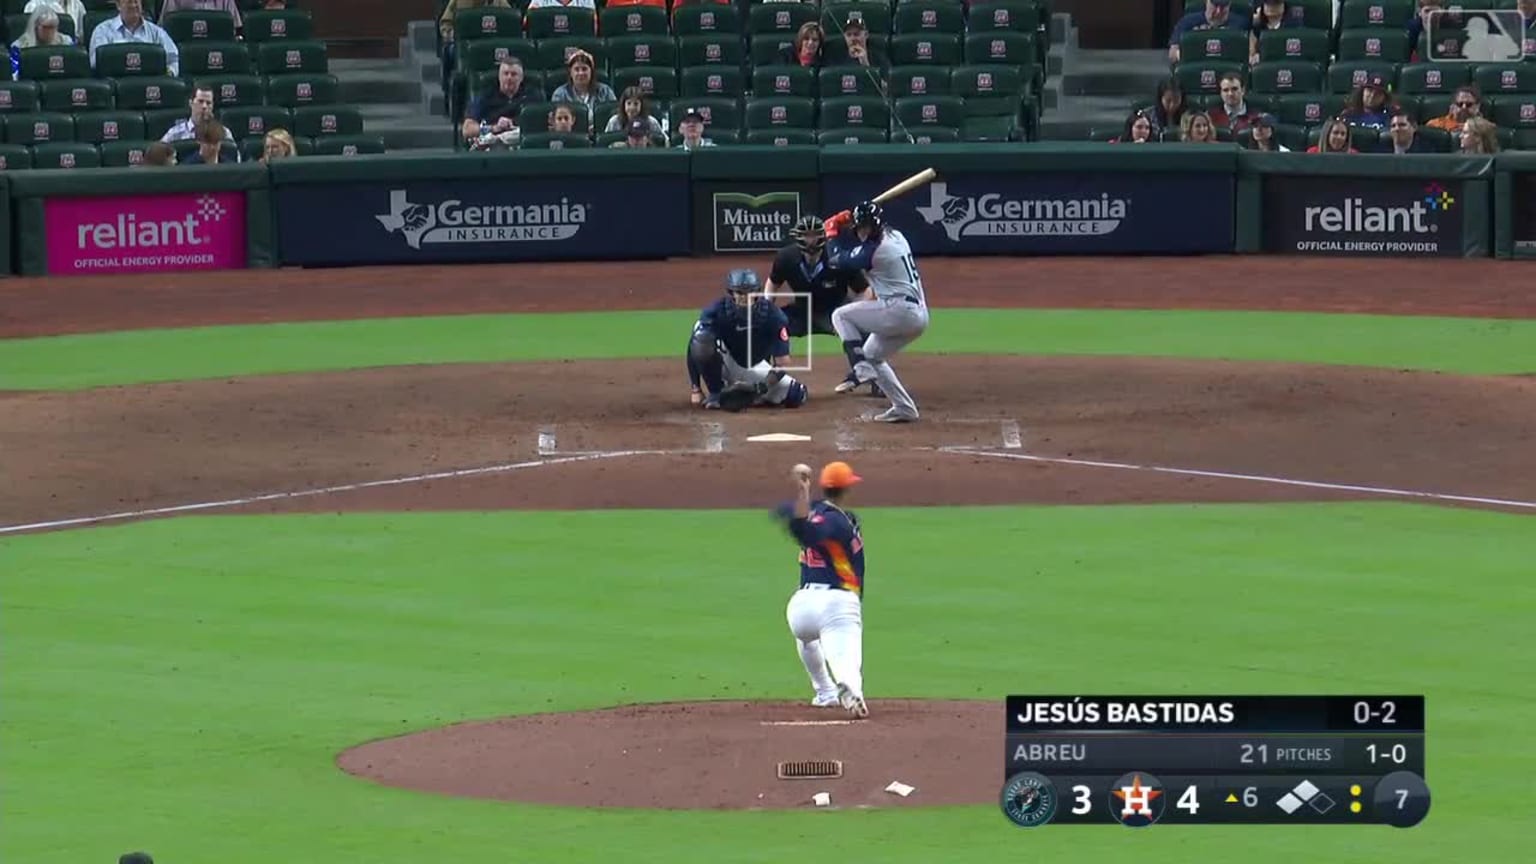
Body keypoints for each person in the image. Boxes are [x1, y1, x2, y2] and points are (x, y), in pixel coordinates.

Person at [775, 460, 868, 717]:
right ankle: (851, 689)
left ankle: (825, 692)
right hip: (837, 602)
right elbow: (807, 533)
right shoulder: (842, 522)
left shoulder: (817, 513)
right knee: (845, 656)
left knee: (806, 638)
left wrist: (803, 493)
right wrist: (804, 493)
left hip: (801, 606)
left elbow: (792, 518)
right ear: (847, 489)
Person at [825, 201, 928, 423]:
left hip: (899, 311)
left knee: (840, 316)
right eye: (861, 228)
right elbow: (861, 245)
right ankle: (903, 407)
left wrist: (832, 231)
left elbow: (837, 260)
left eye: (865, 228)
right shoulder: (896, 236)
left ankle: (859, 366)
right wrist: (849, 219)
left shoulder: (878, 252)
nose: (862, 232)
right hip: (915, 313)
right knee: (873, 355)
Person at [685, 268, 810, 411]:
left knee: (797, 395)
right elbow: (695, 345)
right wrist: (696, 388)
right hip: (725, 360)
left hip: (753, 364)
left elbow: (783, 363)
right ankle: (716, 392)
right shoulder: (715, 311)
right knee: (701, 337)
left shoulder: (774, 315)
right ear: (731, 293)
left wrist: (760, 387)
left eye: (750, 292)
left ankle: (744, 392)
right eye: (740, 293)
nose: (745, 297)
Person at [89, 0, 180, 76]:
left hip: (148, 87)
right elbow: (95, 64)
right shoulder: (102, 31)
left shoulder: (156, 32)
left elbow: (174, 58)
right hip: (115, 88)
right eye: (129, 2)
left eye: (136, 2)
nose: (133, 5)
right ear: (118, 5)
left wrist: (169, 74)